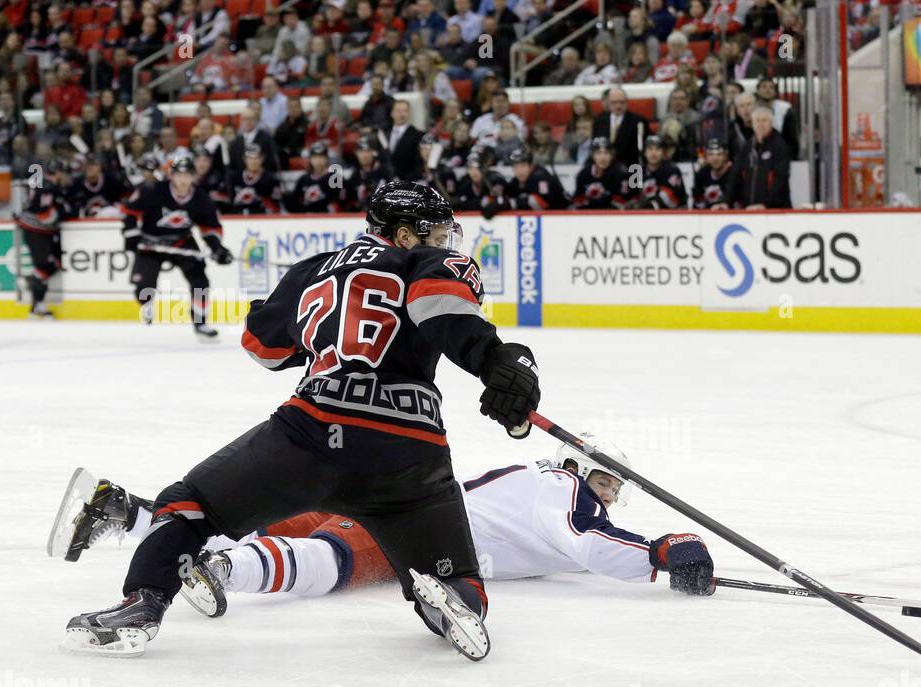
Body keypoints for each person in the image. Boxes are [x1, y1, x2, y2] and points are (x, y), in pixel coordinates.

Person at [63, 183, 543, 661]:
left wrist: (293, 322)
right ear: (402, 235)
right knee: (456, 574)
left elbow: (262, 348)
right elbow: (444, 314)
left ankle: (143, 603)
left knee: (187, 505)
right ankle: (453, 599)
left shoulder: (311, 273)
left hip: (310, 433)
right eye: (436, 234)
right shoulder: (426, 262)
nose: (443, 243)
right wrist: (501, 362)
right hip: (409, 448)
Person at [52, 437, 718, 616]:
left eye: (613, 488)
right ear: (582, 468)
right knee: (336, 564)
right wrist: (661, 552)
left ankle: (133, 511)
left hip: (380, 495)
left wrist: (653, 553)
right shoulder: (564, 488)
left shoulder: (539, 485)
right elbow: (587, 540)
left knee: (246, 518)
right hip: (416, 525)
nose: (608, 495)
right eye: (606, 481)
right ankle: (227, 570)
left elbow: (572, 551)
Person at [121, 156, 233, 340]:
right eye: (179, 175)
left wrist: (217, 248)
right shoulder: (153, 191)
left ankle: (201, 324)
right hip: (151, 242)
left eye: (187, 175)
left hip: (181, 241)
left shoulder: (201, 199)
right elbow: (129, 213)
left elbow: (210, 228)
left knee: (200, 281)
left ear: (193, 177)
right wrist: (131, 235)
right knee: (143, 286)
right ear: (171, 176)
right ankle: (146, 304)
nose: (183, 180)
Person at [17, 172, 68, 318]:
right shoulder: (47, 186)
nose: (67, 177)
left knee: (53, 264)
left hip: (42, 231)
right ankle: (37, 305)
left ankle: (33, 280)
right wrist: (64, 211)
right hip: (36, 230)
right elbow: (45, 216)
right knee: (44, 264)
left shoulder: (44, 183)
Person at [735, 106, 791, 209]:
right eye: (757, 120)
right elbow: (735, 174)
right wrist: (726, 201)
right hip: (749, 208)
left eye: (764, 120)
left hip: (775, 210)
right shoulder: (747, 147)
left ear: (771, 123)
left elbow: (780, 179)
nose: (760, 124)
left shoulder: (779, 146)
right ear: (752, 123)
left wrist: (766, 204)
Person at [501, 147, 570, 210]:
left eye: (523, 166)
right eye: (515, 167)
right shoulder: (517, 180)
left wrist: (512, 203)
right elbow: (507, 194)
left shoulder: (540, 177)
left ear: (531, 166)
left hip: (566, 216)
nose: (519, 171)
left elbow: (542, 203)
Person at [630, 135, 687, 209]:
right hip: (644, 216)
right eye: (650, 149)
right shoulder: (636, 172)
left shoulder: (672, 171)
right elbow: (631, 198)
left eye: (658, 149)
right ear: (644, 152)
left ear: (663, 152)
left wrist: (650, 205)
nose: (654, 153)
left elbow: (672, 200)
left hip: (671, 216)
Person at [223, 143, 282, 215]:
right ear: (244, 159)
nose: (253, 161)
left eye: (257, 158)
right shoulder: (234, 177)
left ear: (262, 158)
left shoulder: (271, 179)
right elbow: (228, 203)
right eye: (250, 158)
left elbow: (276, 206)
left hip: (262, 219)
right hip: (238, 219)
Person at [572, 136, 629, 209]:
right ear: (592, 155)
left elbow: (621, 205)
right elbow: (578, 202)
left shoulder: (619, 174)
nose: (603, 157)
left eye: (606, 153)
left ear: (611, 155)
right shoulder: (583, 174)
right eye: (598, 153)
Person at [286, 142, 344, 213]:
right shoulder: (303, 179)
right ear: (310, 159)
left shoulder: (335, 179)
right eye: (315, 157)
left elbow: (339, 203)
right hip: (308, 220)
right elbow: (296, 203)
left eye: (321, 156)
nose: (318, 160)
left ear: (326, 158)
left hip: (329, 219)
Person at [692, 137, 739, 209]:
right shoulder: (701, 175)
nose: (715, 158)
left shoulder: (735, 174)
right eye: (711, 154)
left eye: (719, 154)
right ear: (706, 157)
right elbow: (697, 205)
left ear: (725, 155)